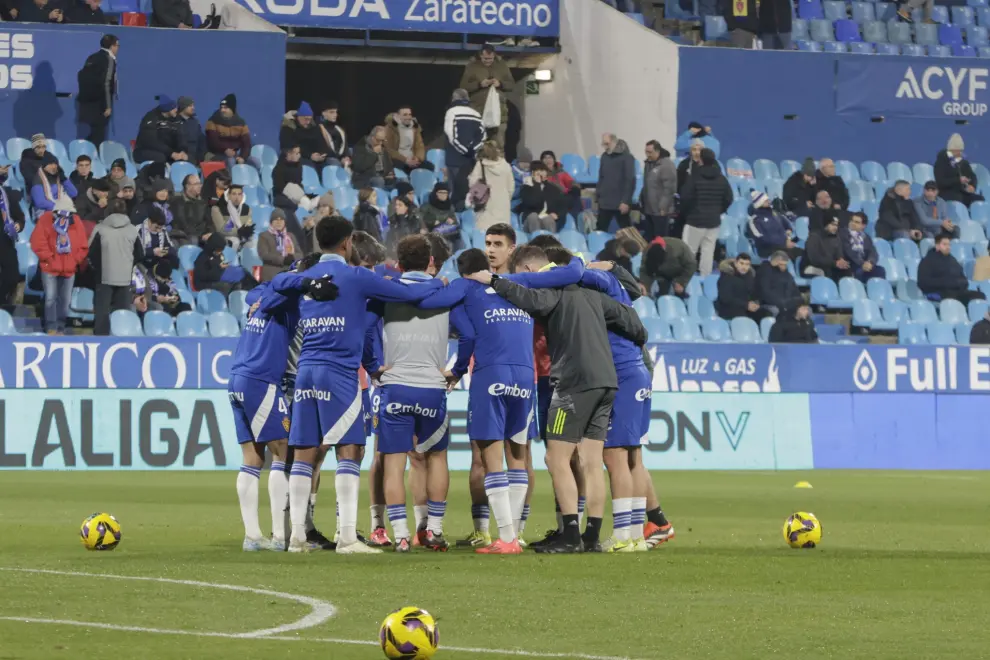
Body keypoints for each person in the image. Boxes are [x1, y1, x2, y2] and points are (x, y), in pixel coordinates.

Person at [266, 216, 444, 554]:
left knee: (304, 452)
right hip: (339, 372)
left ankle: (297, 537)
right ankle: (347, 537)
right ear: (347, 243)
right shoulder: (357, 276)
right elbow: (409, 292)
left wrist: (305, 283)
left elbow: (275, 284)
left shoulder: (306, 276)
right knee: (349, 450)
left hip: (306, 371)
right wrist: (439, 285)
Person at [463, 245, 648, 554]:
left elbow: (526, 298)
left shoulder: (553, 293)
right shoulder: (594, 295)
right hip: (607, 381)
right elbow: (634, 324)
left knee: (555, 458)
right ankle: (591, 535)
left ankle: (571, 535)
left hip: (573, 383)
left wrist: (494, 281)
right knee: (591, 462)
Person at [366, 235, 453, 552]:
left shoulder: (386, 291)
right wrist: (457, 371)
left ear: (398, 264)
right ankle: (434, 531)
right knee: (436, 457)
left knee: (392, 461)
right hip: (432, 386)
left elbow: (365, 329)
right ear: (430, 260)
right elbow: (469, 333)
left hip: (396, 385)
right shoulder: (447, 292)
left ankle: (401, 535)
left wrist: (373, 366)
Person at [227, 278, 296, 552]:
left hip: (237, 377)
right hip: (260, 380)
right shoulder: (288, 300)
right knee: (282, 451)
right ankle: (280, 536)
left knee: (252, 457)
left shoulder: (263, 297)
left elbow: (254, 293)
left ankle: (253, 537)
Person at [30, 197, 88, 334]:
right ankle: (51, 327)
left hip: (69, 269)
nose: (64, 216)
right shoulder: (45, 219)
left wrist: (75, 261)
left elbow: (83, 246)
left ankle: (61, 327)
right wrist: (49, 258)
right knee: (50, 298)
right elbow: (37, 242)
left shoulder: (76, 221)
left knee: (65, 300)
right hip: (49, 268)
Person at [88, 199, 142, 336]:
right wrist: (128, 265)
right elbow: (140, 254)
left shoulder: (100, 228)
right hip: (125, 277)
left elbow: (91, 253)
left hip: (103, 276)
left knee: (102, 311)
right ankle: (121, 340)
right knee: (122, 313)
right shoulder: (132, 230)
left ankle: (101, 340)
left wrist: (97, 269)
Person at [680, 147, 732, 277]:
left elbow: (685, 197)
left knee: (688, 252)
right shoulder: (722, 179)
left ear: (701, 160)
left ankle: (686, 279)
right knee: (708, 252)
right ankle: (706, 279)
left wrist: (688, 213)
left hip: (695, 220)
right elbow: (729, 198)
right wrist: (718, 210)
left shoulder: (694, 177)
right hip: (713, 221)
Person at [460, 44, 514, 146]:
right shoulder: (472, 66)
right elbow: (463, 86)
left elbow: (511, 85)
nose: (488, 61)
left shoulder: (502, 66)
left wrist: (500, 84)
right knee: (477, 144)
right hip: (478, 113)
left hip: (499, 115)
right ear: (480, 55)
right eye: (485, 59)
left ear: (494, 55)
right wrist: (479, 85)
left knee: (498, 145)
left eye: (490, 59)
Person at [444, 88, 485, 209]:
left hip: (454, 159)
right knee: (469, 193)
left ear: (453, 98)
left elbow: (451, 136)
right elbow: (482, 137)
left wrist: (464, 150)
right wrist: (472, 150)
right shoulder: (476, 114)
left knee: (454, 193)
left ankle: (455, 216)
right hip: (471, 160)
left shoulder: (451, 112)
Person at [918, 233, 987, 304]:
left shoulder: (953, 260)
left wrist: (960, 283)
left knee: (980, 295)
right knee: (951, 296)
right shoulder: (927, 261)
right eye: (944, 244)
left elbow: (964, 279)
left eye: (949, 245)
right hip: (939, 292)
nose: (948, 247)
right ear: (937, 246)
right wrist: (946, 283)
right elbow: (923, 282)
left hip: (957, 291)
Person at [76, 34, 118, 147]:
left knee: (93, 133)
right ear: (112, 46)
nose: (117, 49)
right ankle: (94, 155)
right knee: (99, 135)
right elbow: (106, 82)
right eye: (117, 46)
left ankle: (86, 151)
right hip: (100, 104)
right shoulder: (109, 59)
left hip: (87, 102)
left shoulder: (92, 57)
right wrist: (108, 106)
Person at [468, 141, 515, 232]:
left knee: (486, 233)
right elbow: (511, 187)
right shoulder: (506, 166)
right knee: (502, 233)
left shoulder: (481, 165)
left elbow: (472, 183)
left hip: (485, 204)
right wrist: (505, 198)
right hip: (503, 204)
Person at [596, 133, 636, 232]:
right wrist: (599, 194)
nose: (605, 147)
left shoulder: (627, 157)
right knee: (600, 230)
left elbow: (630, 180)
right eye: (603, 144)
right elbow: (601, 177)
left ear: (614, 142)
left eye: (607, 144)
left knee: (627, 233)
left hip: (620, 203)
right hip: (604, 202)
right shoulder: (604, 156)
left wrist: (625, 201)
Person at [193, 232, 257, 295]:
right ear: (213, 247)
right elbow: (203, 276)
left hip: (217, 276)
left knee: (243, 273)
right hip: (204, 284)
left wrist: (221, 266)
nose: (220, 252)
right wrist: (219, 269)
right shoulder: (202, 259)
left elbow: (218, 263)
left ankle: (254, 290)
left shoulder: (215, 253)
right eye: (218, 251)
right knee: (227, 285)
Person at [716, 254, 773, 322]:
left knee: (766, 314)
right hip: (729, 309)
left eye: (747, 264)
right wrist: (746, 305)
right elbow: (726, 298)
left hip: (745, 307)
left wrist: (756, 302)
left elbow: (754, 293)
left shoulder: (749, 276)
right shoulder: (726, 277)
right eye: (741, 263)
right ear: (736, 263)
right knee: (742, 316)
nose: (744, 267)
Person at [747, 190, 800, 260]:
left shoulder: (775, 213)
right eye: (766, 200)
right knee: (789, 255)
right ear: (759, 203)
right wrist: (784, 243)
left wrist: (789, 232)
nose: (769, 201)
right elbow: (761, 239)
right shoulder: (754, 220)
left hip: (783, 246)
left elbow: (787, 224)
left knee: (801, 253)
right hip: (767, 249)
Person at [134, 96, 187, 165]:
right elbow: (152, 142)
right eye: (173, 108)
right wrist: (171, 153)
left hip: (166, 151)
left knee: (185, 159)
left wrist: (182, 151)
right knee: (161, 157)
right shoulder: (151, 117)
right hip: (145, 150)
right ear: (167, 109)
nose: (176, 110)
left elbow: (180, 136)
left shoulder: (176, 118)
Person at [934, 134, 984, 208]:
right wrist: (958, 180)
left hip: (961, 192)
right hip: (945, 193)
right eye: (956, 151)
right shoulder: (941, 162)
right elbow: (940, 182)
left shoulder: (963, 163)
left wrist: (972, 185)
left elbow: (972, 176)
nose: (958, 153)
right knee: (957, 198)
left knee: (979, 199)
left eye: (960, 151)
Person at [640, 141, 677, 240]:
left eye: (650, 152)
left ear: (657, 151)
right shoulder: (648, 163)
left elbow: (670, 188)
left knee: (660, 239)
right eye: (646, 152)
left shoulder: (667, 164)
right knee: (649, 238)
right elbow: (647, 185)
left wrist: (663, 207)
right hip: (649, 209)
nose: (647, 155)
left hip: (660, 211)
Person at [517, 161, 568, 233]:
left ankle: (550, 239)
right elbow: (532, 203)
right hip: (530, 223)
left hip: (546, 220)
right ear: (532, 174)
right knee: (533, 216)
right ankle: (536, 239)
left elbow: (563, 205)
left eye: (543, 170)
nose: (541, 173)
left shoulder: (553, 188)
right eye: (537, 171)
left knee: (548, 219)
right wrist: (537, 185)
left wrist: (557, 214)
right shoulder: (526, 187)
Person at [206, 94, 253, 171]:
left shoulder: (241, 123)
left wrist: (242, 157)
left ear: (232, 109)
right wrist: (225, 150)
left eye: (225, 108)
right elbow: (213, 141)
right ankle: (231, 179)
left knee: (255, 162)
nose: (222, 110)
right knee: (231, 161)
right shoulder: (212, 121)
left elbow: (247, 144)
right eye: (221, 107)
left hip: (235, 154)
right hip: (217, 154)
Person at [384, 106, 433, 175]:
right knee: (408, 170)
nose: (408, 117)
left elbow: (419, 145)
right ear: (398, 116)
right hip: (398, 159)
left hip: (412, 158)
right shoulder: (390, 129)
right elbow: (389, 149)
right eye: (405, 115)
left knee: (429, 167)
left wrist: (417, 158)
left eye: (410, 114)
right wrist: (406, 160)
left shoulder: (415, 128)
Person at [840, 213, 886, 283]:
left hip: (865, 265)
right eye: (852, 221)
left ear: (863, 226)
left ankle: (877, 289)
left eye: (856, 222)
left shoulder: (866, 237)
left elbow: (873, 252)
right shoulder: (843, 233)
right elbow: (848, 251)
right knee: (860, 272)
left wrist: (870, 262)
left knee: (880, 270)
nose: (853, 223)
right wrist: (863, 264)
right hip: (850, 264)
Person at [0, 174, 24, 308]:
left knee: (12, 277)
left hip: (6, 243)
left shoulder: (7, 195)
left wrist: (18, 225)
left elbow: (19, 217)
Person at [802, 216, 850, 281]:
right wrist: (835, 263)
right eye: (832, 224)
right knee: (827, 272)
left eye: (836, 225)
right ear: (825, 224)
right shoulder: (814, 237)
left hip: (830, 265)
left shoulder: (836, 237)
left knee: (846, 270)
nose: (835, 227)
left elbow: (839, 254)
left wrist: (841, 261)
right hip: (810, 267)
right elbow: (814, 259)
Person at [279, 102, 328, 167]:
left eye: (310, 119)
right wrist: (310, 155)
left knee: (332, 163)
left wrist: (322, 154)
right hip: (298, 158)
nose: (308, 122)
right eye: (306, 119)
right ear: (298, 117)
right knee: (308, 165)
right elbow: (289, 147)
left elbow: (322, 143)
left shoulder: (314, 127)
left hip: (316, 157)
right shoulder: (288, 128)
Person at [258, 210, 301, 282]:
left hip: (289, 272)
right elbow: (264, 255)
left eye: (281, 219)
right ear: (271, 222)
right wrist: (283, 260)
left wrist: (292, 257)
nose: (279, 222)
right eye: (276, 219)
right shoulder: (264, 236)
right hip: (272, 273)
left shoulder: (290, 236)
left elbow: (300, 254)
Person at [756, 250, 802, 315]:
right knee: (776, 310)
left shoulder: (787, 275)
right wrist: (782, 304)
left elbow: (795, 291)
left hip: (786, 303)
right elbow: (765, 292)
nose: (784, 267)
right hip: (770, 305)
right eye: (781, 264)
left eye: (785, 265)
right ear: (774, 262)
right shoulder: (765, 271)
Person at [171, 174, 211, 247]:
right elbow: (182, 224)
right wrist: (200, 236)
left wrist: (209, 233)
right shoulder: (177, 202)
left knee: (219, 240)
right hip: (184, 235)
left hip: (201, 235)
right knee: (193, 239)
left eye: (200, 183)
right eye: (196, 184)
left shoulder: (203, 202)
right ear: (187, 186)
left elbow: (209, 222)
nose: (200, 186)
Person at [211, 184, 255, 250]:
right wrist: (239, 231)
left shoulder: (247, 209)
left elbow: (249, 225)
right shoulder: (217, 208)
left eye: (239, 194)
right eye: (234, 194)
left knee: (252, 242)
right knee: (235, 241)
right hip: (223, 237)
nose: (237, 197)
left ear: (242, 196)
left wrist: (247, 232)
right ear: (228, 196)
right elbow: (221, 230)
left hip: (241, 236)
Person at [420, 182, 462, 250]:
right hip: (432, 235)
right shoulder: (426, 207)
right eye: (441, 192)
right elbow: (421, 219)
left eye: (445, 193)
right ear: (436, 193)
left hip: (447, 235)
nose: (443, 195)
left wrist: (452, 221)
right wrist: (432, 222)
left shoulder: (450, 207)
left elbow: (455, 224)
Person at [352, 126, 396, 190]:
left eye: (382, 140)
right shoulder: (360, 147)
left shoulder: (382, 147)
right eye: (378, 140)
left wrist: (391, 173)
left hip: (382, 177)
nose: (380, 143)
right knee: (379, 181)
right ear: (372, 137)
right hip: (365, 179)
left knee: (403, 182)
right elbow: (359, 167)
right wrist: (374, 153)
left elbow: (389, 165)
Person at [541, 150, 582, 219]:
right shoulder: (540, 173)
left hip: (564, 196)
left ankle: (575, 221)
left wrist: (574, 187)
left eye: (550, 157)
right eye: (545, 158)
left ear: (554, 160)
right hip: (550, 198)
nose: (548, 160)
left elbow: (570, 181)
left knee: (576, 198)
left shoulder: (560, 171)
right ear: (542, 161)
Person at [137, 206, 178, 272]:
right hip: (143, 264)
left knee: (174, 260)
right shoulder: (138, 231)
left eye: (160, 228)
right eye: (156, 227)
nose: (159, 230)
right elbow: (136, 253)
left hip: (159, 264)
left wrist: (163, 251)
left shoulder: (163, 230)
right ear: (149, 221)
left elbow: (172, 249)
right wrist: (153, 252)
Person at [176, 97, 207, 164]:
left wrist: (200, 158)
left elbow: (201, 140)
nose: (193, 108)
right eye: (190, 106)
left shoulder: (195, 122)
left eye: (193, 105)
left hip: (194, 158)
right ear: (183, 107)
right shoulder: (174, 121)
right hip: (178, 158)